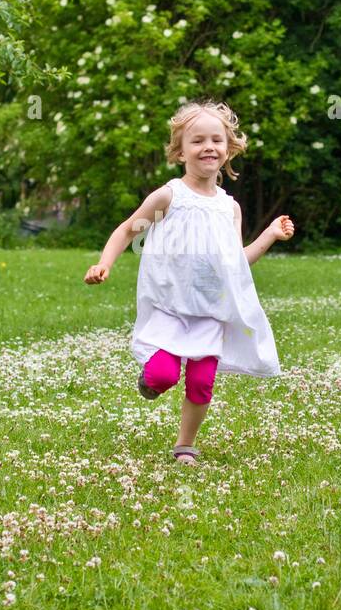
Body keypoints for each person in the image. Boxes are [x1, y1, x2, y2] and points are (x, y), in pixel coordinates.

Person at [83, 99, 295, 464]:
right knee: (163, 375)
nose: (208, 147)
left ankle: (185, 445)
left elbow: (236, 263)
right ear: (180, 152)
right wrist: (105, 263)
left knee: (201, 383)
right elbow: (127, 229)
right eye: (197, 141)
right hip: (170, 305)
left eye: (216, 140)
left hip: (211, 310)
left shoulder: (229, 207)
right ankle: (150, 381)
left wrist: (270, 236)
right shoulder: (169, 197)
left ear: (229, 149)